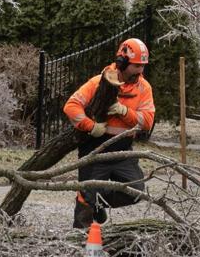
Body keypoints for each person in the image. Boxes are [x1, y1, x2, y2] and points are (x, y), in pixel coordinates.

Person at [63, 38, 156, 229]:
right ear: (122, 62)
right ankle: (80, 236)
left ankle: (98, 202)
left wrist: (124, 112)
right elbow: (71, 106)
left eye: (142, 66)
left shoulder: (143, 88)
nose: (140, 71)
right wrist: (90, 126)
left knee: (136, 191)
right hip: (95, 150)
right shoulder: (98, 82)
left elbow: (147, 121)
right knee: (87, 194)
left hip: (123, 151)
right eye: (136, 66)